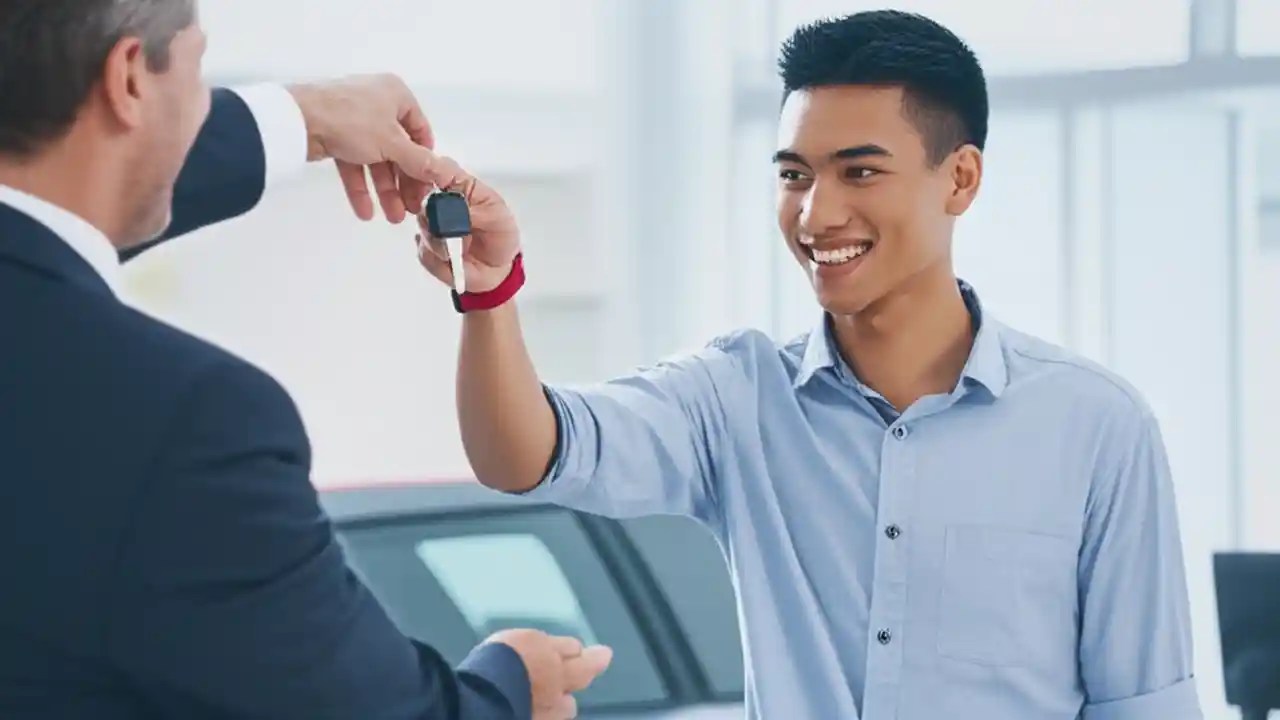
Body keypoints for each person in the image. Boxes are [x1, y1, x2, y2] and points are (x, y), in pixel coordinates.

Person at [413, 9, 1203, 720]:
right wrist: (489, 296)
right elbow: (524, 454)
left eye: (860, 171)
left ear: (959, 178)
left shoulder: (1096, 426)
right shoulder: (734, 399)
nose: (816, 213)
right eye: (795, 175)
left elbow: (1144, 705)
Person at [0, 2, 610, 719]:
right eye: (200, 70)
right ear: (130, 76)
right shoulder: (185, 422)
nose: (203, 106)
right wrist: (509, 686)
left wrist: (302, 120)